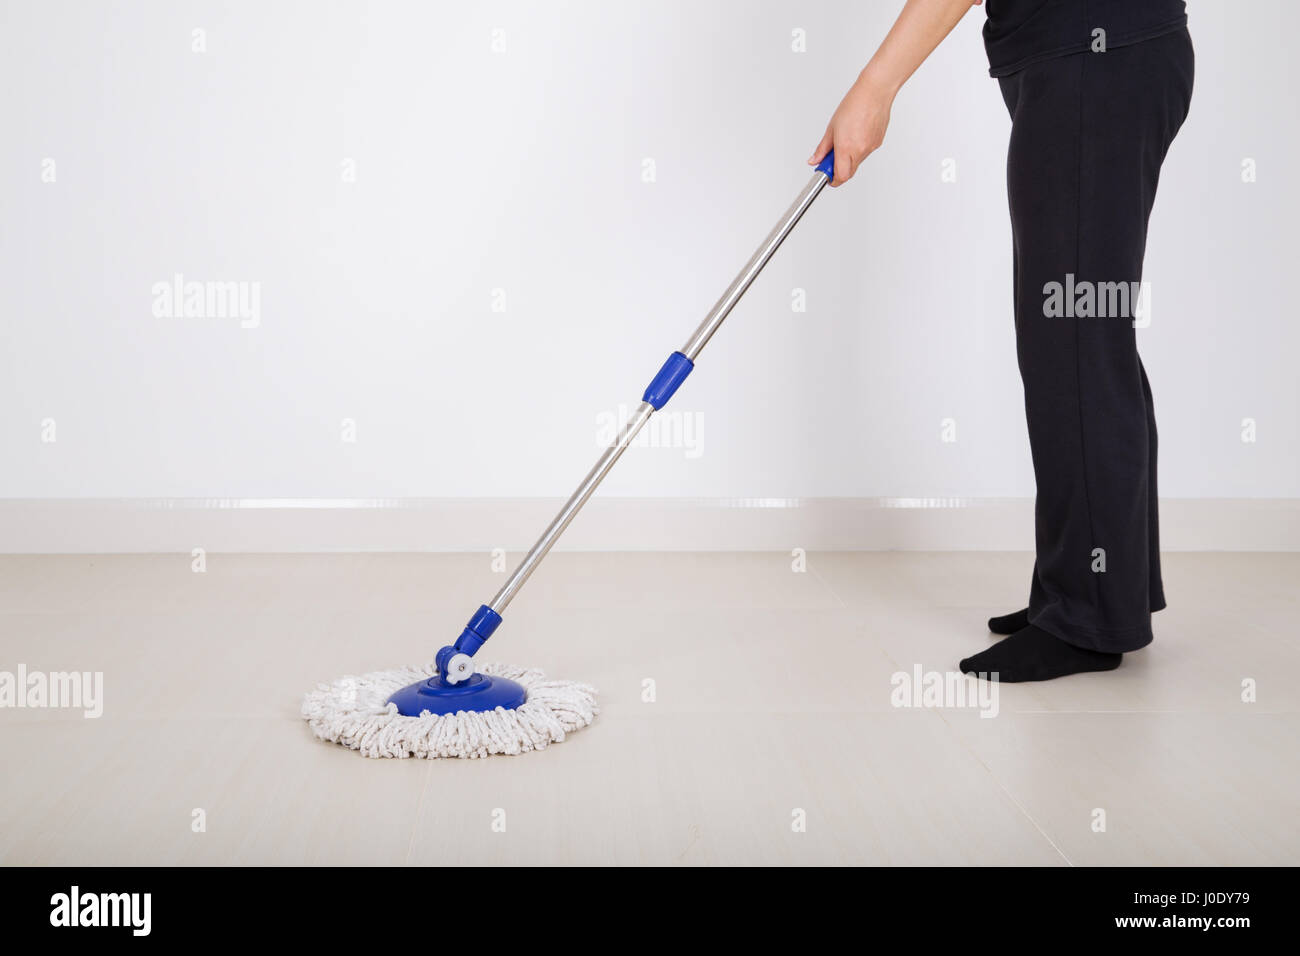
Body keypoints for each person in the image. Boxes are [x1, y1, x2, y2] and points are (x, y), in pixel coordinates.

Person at [810, 0, 1193, 682]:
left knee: (1074, 344)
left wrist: (875, 89)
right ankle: (1094, 589)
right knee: (1081, 340)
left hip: (1091, 61)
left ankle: (1089, 615)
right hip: (1093, 59)